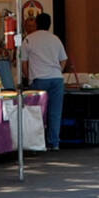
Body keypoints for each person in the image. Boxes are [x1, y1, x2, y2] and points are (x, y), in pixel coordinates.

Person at [22, 12, 71, 150]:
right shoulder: (55, 39)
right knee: (55, 112)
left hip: (39, 79)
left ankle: (38, 143)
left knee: (37, 113)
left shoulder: (28, 40)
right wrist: (58, 71)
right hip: (56, 79)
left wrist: (28, 76)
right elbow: (64, 59)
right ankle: (54, 142)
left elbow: (24, 63)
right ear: (49, 25)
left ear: (36, 23)